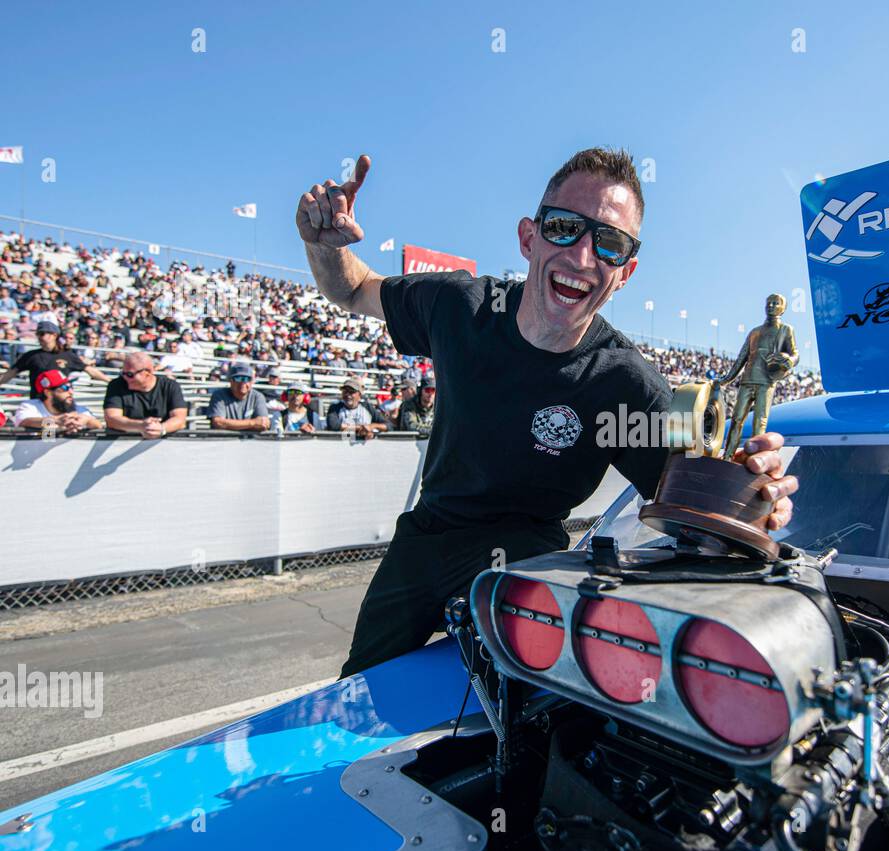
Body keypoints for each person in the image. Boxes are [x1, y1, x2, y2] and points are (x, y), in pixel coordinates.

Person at [297, 147, 796, 678]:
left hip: (527, 555)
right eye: (564, 228)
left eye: (609, 243)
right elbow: (350, 288)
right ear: (528, 238)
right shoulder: (459, 307)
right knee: (359, 695)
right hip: (427, 537)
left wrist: (755, 492)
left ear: (625, 272)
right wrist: (319, 242)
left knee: (521, 717)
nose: (583, 257)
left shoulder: (628, 383)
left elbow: (698, 498)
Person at [0, 319, 111, 398]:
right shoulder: (30, 356)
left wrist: (110, 381)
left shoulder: (67, 355)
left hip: (60, 402)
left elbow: (90, 370)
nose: (40, 337)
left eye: (43, 333)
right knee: (45, 429)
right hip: (39, 401)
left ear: (54, 335)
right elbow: (9, 374)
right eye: (38, 334)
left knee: (54, 429)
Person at [103, 352, 188, 439]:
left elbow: (180, 419)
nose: (125, 378)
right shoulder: (116, 385)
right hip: (122, 442)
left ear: (148, 372)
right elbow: (112, 419)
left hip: (164, 443)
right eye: (122, 373)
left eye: (130, 374)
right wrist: (141, 425)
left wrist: (161, 428)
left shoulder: (170, 386)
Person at [12, 369, 102, 435]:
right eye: (65, 388)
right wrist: (55, 421)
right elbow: (25, 422)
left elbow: (98, 425)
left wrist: (86, 420)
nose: (71, 392)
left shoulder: (79, 410)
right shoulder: (30, 407)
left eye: (70, 387)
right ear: (48, 393)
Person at [206, 361, 271, 432]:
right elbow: (218, 423)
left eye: (247, 379)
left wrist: (229, 425)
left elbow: (264, 423)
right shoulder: (219, 395)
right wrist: (253, 423)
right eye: (238, 378)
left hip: (250, 441)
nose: (242, 383)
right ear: (231, 381)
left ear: (252, 382)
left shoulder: (258, 397)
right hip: (224, 440)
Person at [398, 372, 437, 436]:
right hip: (410, 441)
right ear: (421, 391)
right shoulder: (409, 405)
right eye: (427, 390)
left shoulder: (439, 407)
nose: (430, 394)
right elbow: (411, 426)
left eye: (433, 390)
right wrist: (432, 431)